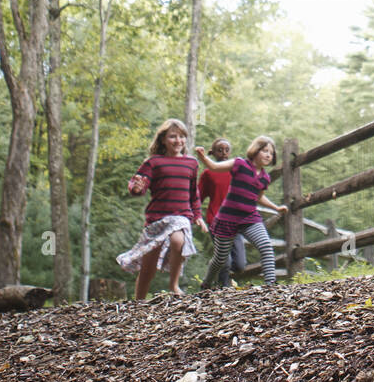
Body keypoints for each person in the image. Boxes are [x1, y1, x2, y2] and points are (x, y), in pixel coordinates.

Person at [117, 118, 209, 299]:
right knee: (148, 265)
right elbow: (139, 185)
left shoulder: (191, 163)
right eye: (173, 137)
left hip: (181, 215)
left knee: (178, 241)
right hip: (157, 218)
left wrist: (197, 215)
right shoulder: (153, 162)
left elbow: (193, 193)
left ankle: (173, 285)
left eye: (182, 137)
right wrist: (136, 188)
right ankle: (139, 301)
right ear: (163, 140)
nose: (178, 141)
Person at [196, 136, 287, 287]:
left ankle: (271, 284)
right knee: (220, 259)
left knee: (266, 246)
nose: (268, 155)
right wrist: (203, 157)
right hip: (227, 219)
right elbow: (214, 167)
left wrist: (276, 208)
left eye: (271, 153)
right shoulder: (240, 164)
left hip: (249, 218)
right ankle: (206, 283)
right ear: (255, 150)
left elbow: (259, 198)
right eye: (265, 151)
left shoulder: (265, 178)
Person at [198, 138, 248, 286]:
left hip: (235, 222)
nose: (224, 153)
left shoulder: (237, 171)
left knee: (239, 265)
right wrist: (194, 216)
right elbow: (198, 196)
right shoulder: (208, 174)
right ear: (213, 153)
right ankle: (223, 291)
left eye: (227, 150)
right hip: (216, 220)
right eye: (220, 150)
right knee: (225, 262)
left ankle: (214, 269)